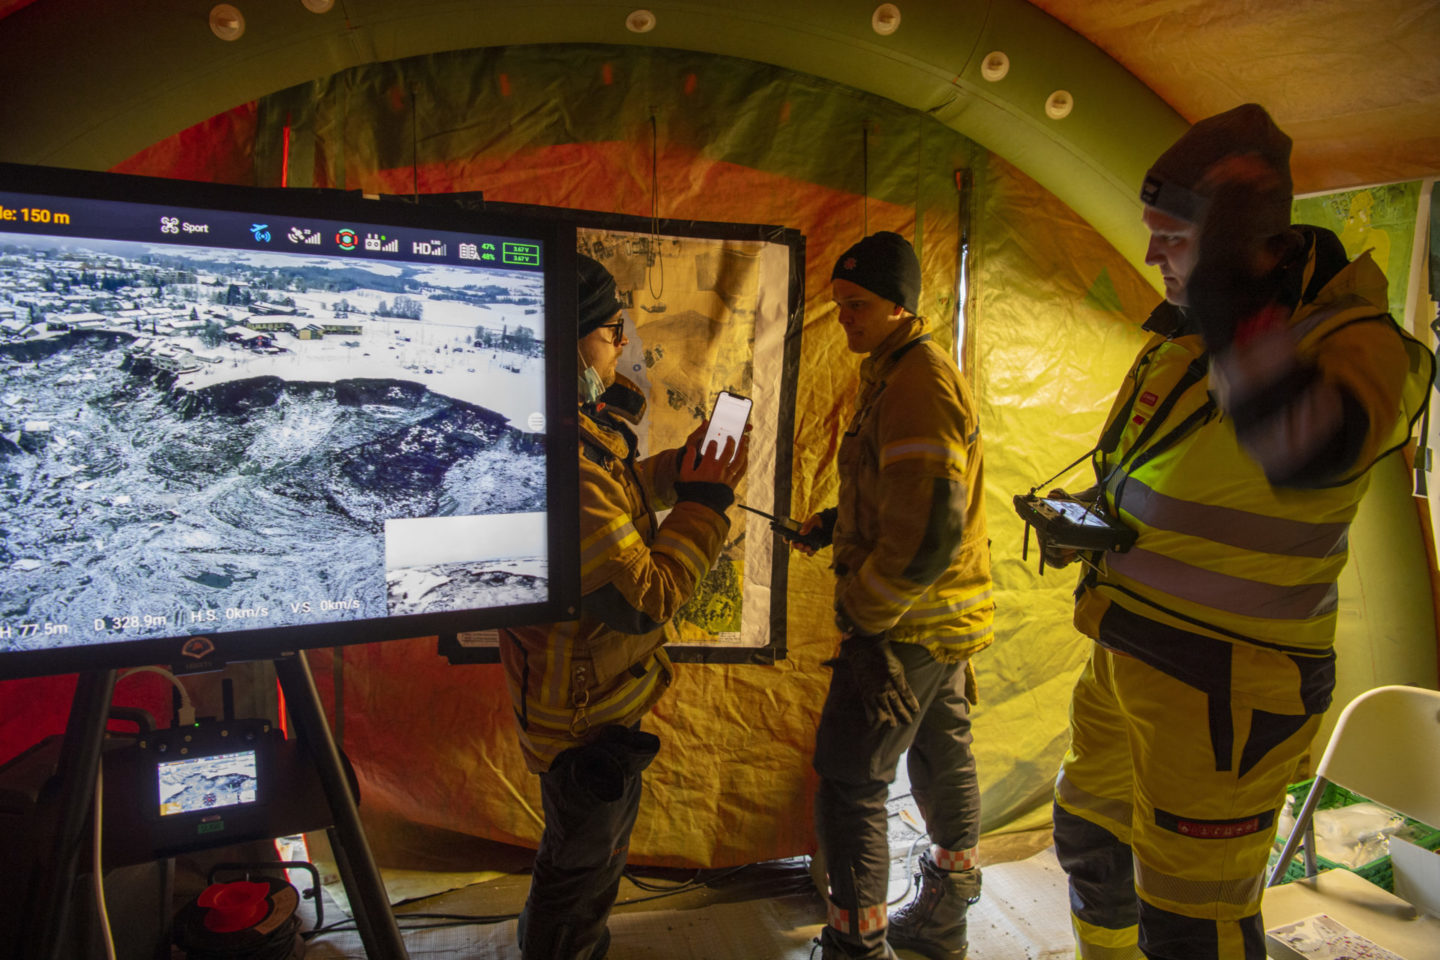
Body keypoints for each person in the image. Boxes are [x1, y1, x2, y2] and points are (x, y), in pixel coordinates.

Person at [1047, 104, 1432, 959]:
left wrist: (1232, 307)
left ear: (1234, 241)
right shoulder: (1187, 337)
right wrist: (1099, 518)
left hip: (1230, 686)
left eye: (1173, 238)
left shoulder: (1360, 341)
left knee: (1194, 920)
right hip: (1124, 649)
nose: (1152, 256)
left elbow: (1310, 447)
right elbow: (1162, 467)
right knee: (1091, 841)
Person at [498, 253, 749, 960]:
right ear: (565, 339)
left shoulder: (566, 427)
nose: (620, 347)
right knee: (578, 872)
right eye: (611, 331)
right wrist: (704, 504)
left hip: (592, 699)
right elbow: (646, 602)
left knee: (591, 860)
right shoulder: (562, 457)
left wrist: (680, 472)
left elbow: (616, 493)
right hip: (582, 719)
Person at [795, 231, 994, 960]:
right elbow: (904, 497)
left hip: (907, 625)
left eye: (857, 305)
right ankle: (943, 920)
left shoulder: (918, 383)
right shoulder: (897, 371)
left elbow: (930, 533)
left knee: (852, 779)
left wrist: (863, 617)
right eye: (840, 304)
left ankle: (858, 947)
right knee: (942, 757)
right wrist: (835, 525)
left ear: (900, 307)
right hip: (946, 620)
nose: (843, 317)